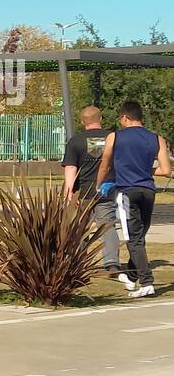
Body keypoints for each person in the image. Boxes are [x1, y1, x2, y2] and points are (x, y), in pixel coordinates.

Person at [96, 101, 171, 298]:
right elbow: (166, 170)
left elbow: (105, 164)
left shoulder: (115, 136)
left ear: (125, 118)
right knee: (139, 235)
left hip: (126, 192)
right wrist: (143, 169)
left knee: (132, 237)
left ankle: (147, 282)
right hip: (148, 191)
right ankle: (131, 276)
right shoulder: (157, 138)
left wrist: (98, 184)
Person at [61, 106, 120, 275]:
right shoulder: (113, 138)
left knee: (80, 227)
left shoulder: (75, 141)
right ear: (100, 119)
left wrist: (69, 191)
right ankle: (112, 263)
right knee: (107, 226)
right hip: (106, 190)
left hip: (82, 192)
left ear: (82, 122)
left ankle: (77, 262)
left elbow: (71, 168)